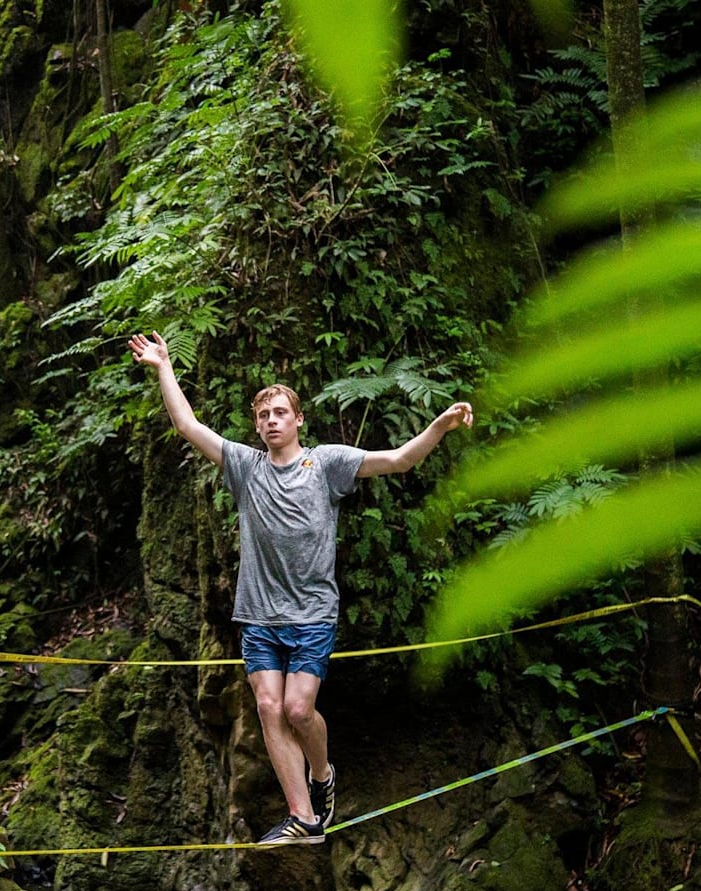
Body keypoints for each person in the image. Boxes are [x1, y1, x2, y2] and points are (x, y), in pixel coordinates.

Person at [129, 332, 474, 846]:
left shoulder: (326, 463)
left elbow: (400, 459)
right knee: (268, 707)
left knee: (296, 710)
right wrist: (162, 367)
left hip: (312, 613)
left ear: (298, 421)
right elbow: (186, 425)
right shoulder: (245, 468)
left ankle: (322, 775)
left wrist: (440, 425)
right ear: (257, 426)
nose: (271, 421)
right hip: (259, 615)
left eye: (280, 413)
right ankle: (304, 818)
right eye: (263, 415)